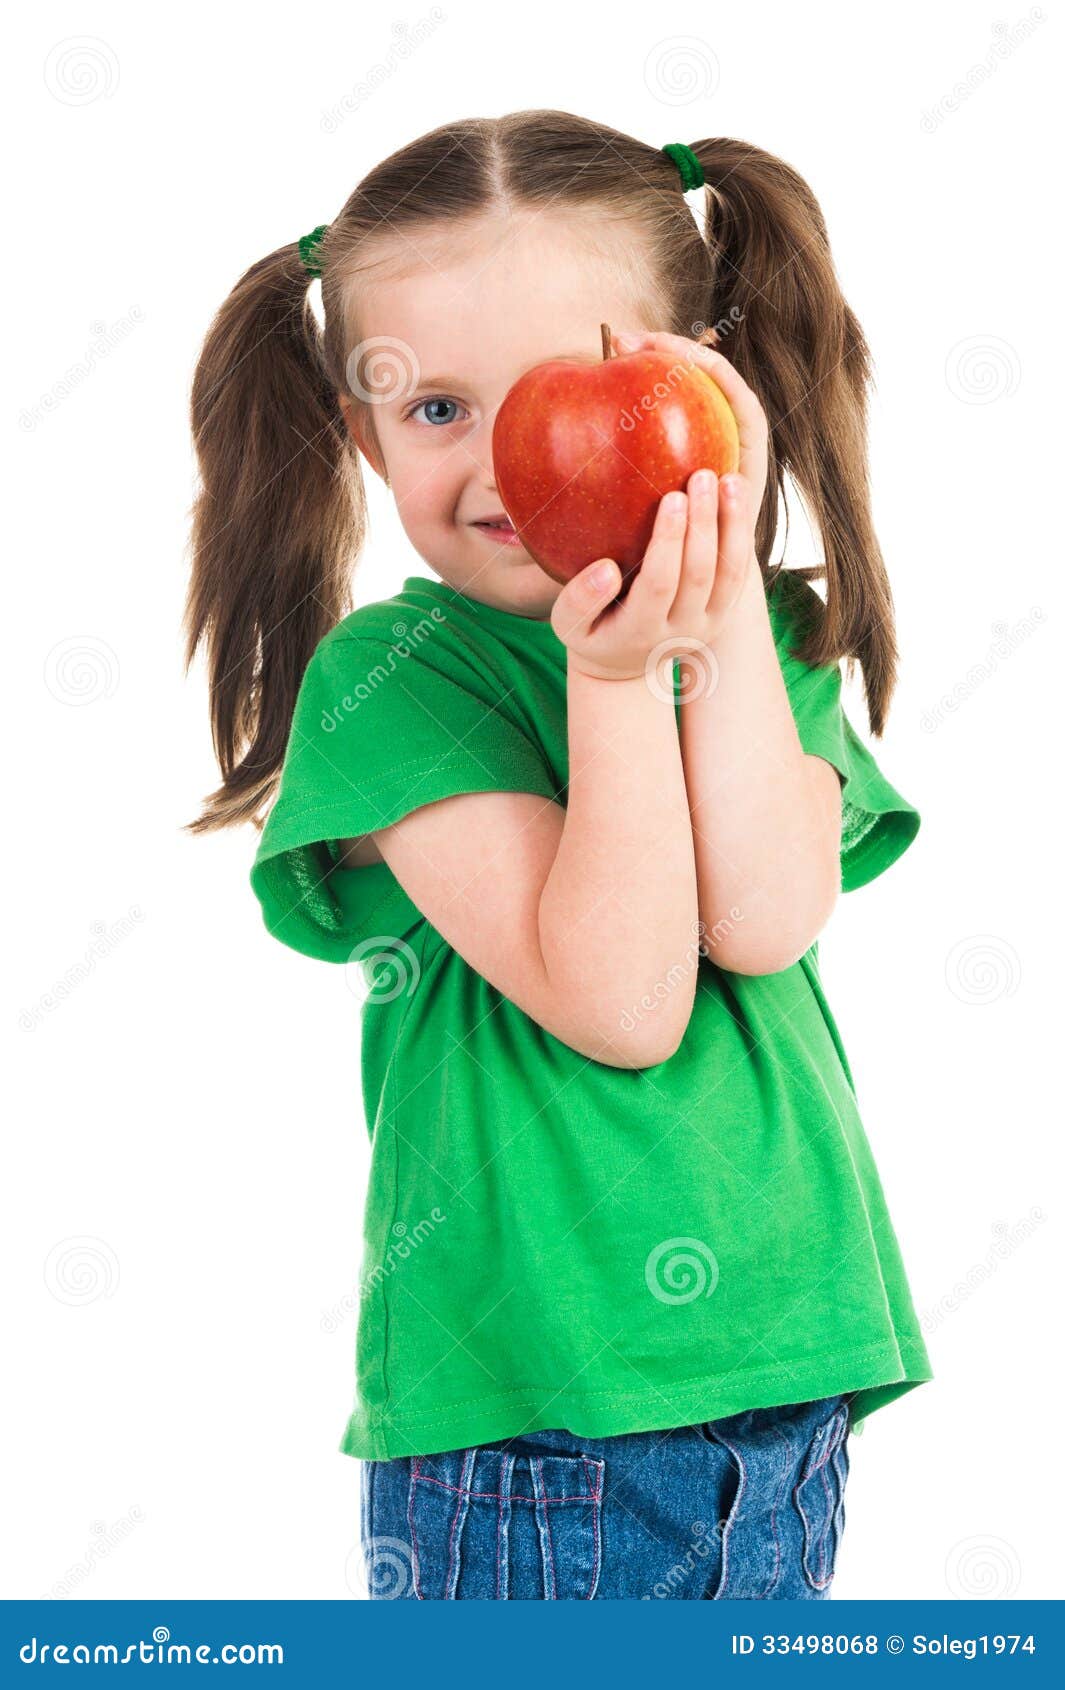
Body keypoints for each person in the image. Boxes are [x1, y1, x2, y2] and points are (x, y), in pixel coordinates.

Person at [184, 111, 932, 1601]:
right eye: (435, 409)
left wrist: (717, 603)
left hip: (783, 1385)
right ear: (364, 439)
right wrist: (612, 679)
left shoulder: (769, 637)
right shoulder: (394, 681)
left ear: (694, 388)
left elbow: (763, 916)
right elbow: (624, 997)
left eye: (559, 390)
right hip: (539, 1424)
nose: (509, 459)